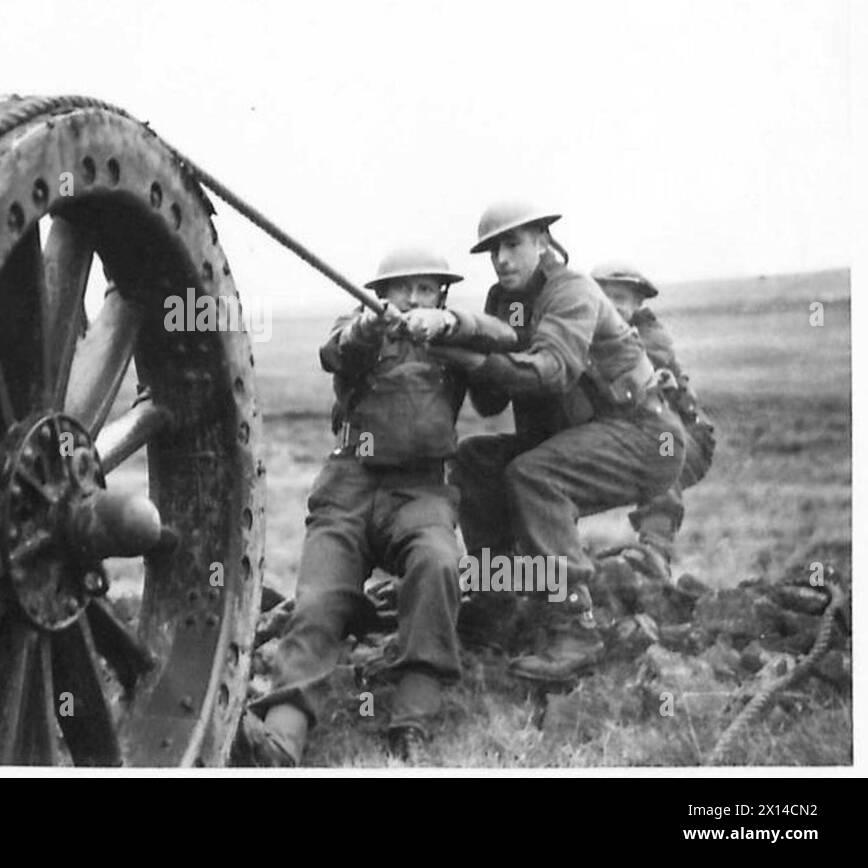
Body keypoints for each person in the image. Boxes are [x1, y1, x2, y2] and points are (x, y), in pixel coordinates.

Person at [239, 246, 518, 765]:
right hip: (348, 489)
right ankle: (282, 737)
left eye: (426, 288)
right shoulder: (359, 326)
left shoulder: (453, 336)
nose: (413, 297)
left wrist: (448, 322)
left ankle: (411, 720)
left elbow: (507, 337)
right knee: (320, 601)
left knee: (438, 566)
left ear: (440, 295)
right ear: (381, 293)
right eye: (402, 287)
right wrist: (372, 325)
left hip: (421, 494)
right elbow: (338, 350)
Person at [440, 202, 686, 683]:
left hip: (644, 437)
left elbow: (552, 373)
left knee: (534, 475)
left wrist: (476, 360)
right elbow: (490, 404)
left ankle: (575, 626)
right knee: (475, 460)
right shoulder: (504, 299)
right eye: (493, 250)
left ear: (542, 241)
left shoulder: (571, 290)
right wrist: (461, 342)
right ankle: (498, 599)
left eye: (513, 244)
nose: (502, 260)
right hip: (579, 437)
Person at [592, 262, 716, 581]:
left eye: (620, 297)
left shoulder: (650, 338)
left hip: (686, 434)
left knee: (660, 448)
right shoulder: (592, 333)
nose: (612, 305)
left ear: (638, 303)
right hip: (630, 430)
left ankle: (656, 550)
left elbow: (630, 373)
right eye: (603, 296)